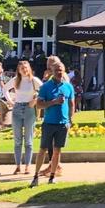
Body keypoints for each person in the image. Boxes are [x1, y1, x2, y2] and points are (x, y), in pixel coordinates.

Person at [32, 55, 74, 186]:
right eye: (56, 70)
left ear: (64, 71)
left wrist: (70, 119)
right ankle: (35, 176)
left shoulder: (68, 86)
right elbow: (39, 105)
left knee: (57, 151)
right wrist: (54, 102)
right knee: (43, 149)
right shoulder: (46, 87)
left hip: (62, 124)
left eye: (61, 70)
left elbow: (71, 103)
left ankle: (52, 176)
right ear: (52, 71)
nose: (59, 72)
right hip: (49, 123)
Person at [6, 59, 40, 175]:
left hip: (29, 109)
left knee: (28, 140)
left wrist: (35, 100)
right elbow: (5, 89)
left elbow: (44, 90)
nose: (24, 70)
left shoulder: (34, 80)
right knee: (17, 140)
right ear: (19, 70)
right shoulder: (16, 80)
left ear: (29, 68)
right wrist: (10, 101)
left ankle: (27, 166)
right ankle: (17, 166)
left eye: (26, 68)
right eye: (22, 68)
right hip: (17, 108)